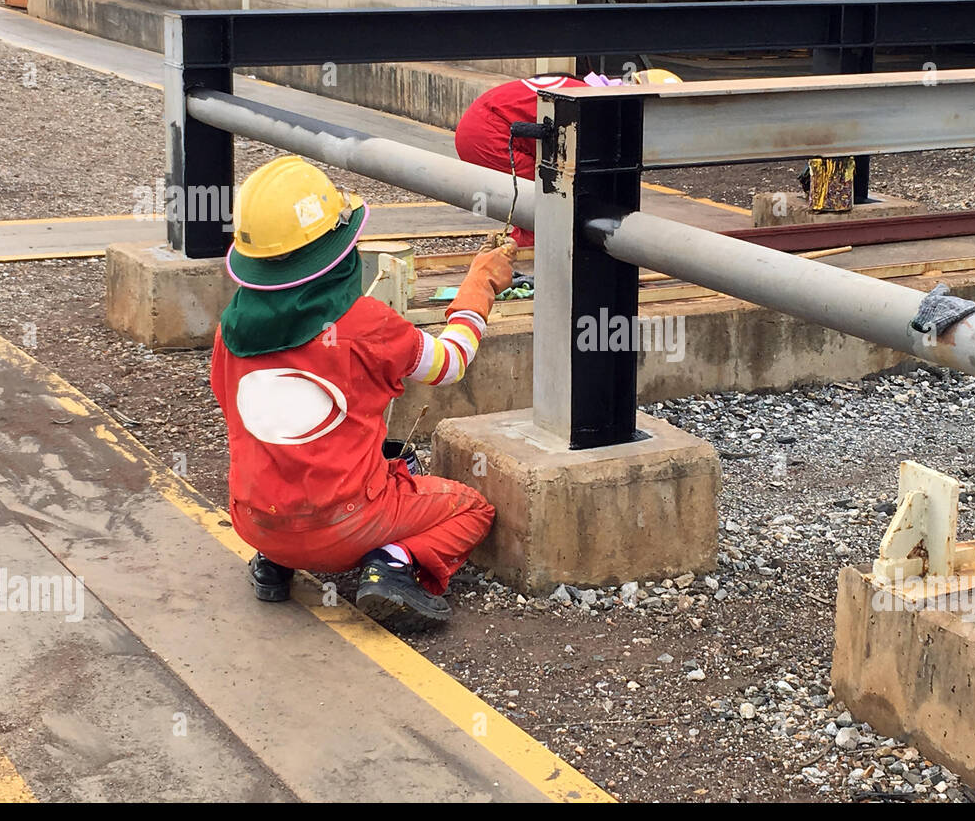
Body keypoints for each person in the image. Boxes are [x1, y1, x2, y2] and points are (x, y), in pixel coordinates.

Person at [210, 155, 517, 628]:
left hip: (254, 520)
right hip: (343, 526)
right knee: (472, 509)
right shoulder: (367, 324)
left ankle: (275, 562)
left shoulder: (230, 332)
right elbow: (449, 363)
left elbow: (246, 413)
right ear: (337, 249)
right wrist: (479, 287)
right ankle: (389, 566)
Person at [454, 68, 683, 247]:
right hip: (488, 132)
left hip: (483, 125)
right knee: (545, 201)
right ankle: (533, 264)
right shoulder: (592, 106)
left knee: (537, 200)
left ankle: (522, 251)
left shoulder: (585, 92)